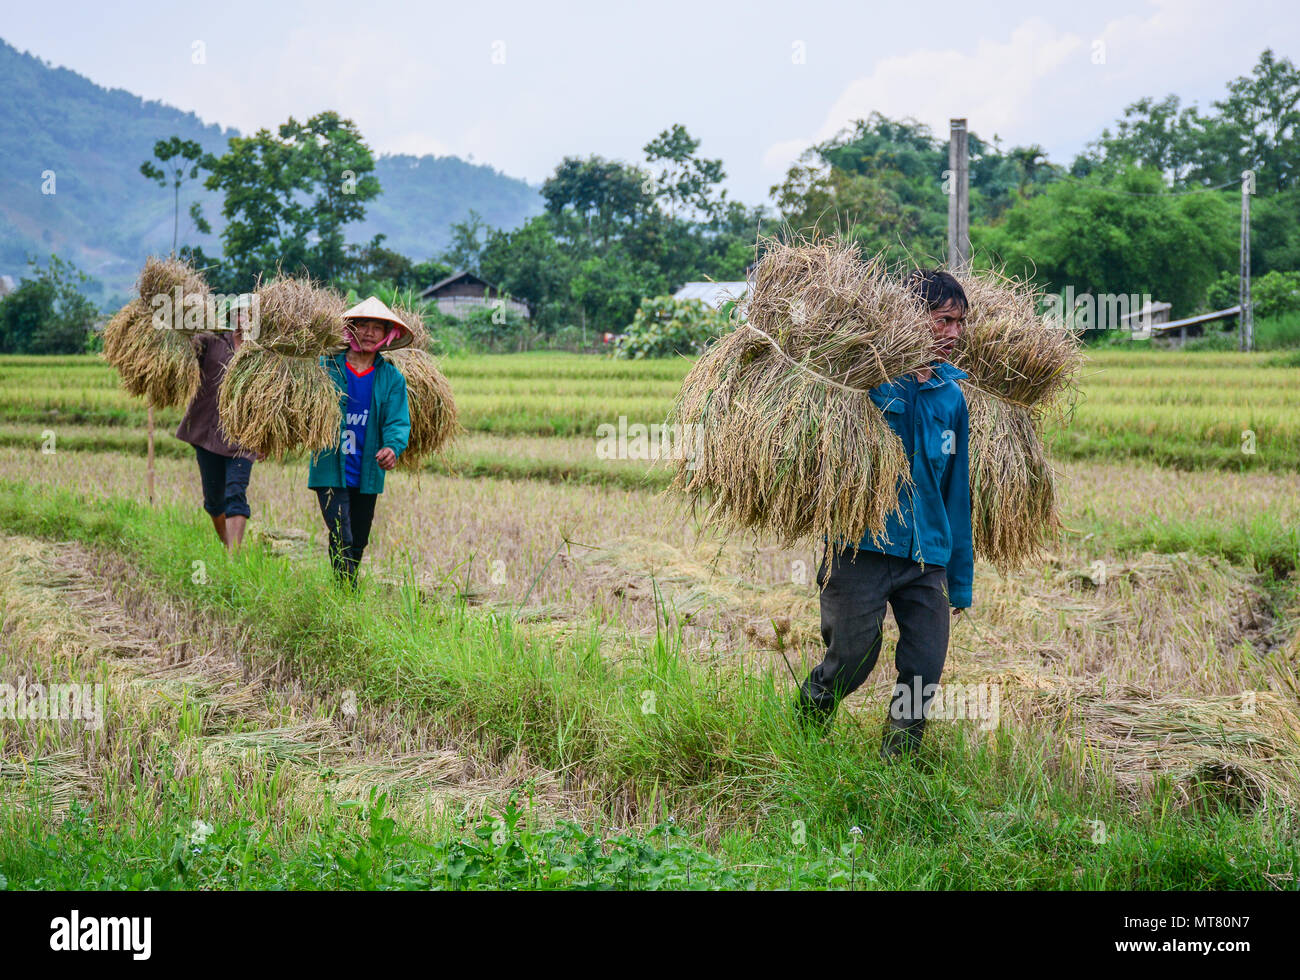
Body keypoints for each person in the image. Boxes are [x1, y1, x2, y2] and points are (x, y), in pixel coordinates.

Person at [796, 269, 974, 759]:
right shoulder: (865, 380)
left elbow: (955, 492)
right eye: (945, 320)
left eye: (961, 323)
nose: (955, 334)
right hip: (861, 547)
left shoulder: (952, 397)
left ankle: (896, 763)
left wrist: (959, 580)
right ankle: (806, 729)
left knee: (924, 668)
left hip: (926, 556)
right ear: (911, 317)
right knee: (851, 659)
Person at [308, 296, 412, 587]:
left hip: (367, 468)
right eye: (361, 325)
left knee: (359, 538)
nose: (368, 332)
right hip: (330, 464)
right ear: (348, 330)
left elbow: (397, 421)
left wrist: (392, 447)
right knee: (342, 533)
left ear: (387, 335)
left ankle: (344, 590)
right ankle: (346, 593)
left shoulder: (391, 378)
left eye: (376, 327)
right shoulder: (325, 368)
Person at [175, 303, 256, 551]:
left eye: (252, 314)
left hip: (244, 437)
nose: (245, 318)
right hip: (207, 432)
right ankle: (227, 544)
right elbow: (183, 352)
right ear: (233, 317)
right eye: (241, 312)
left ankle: (234, 557)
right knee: (213, 501)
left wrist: (267, 439)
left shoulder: (264, 353)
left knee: (235, 494)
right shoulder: (212, 341)